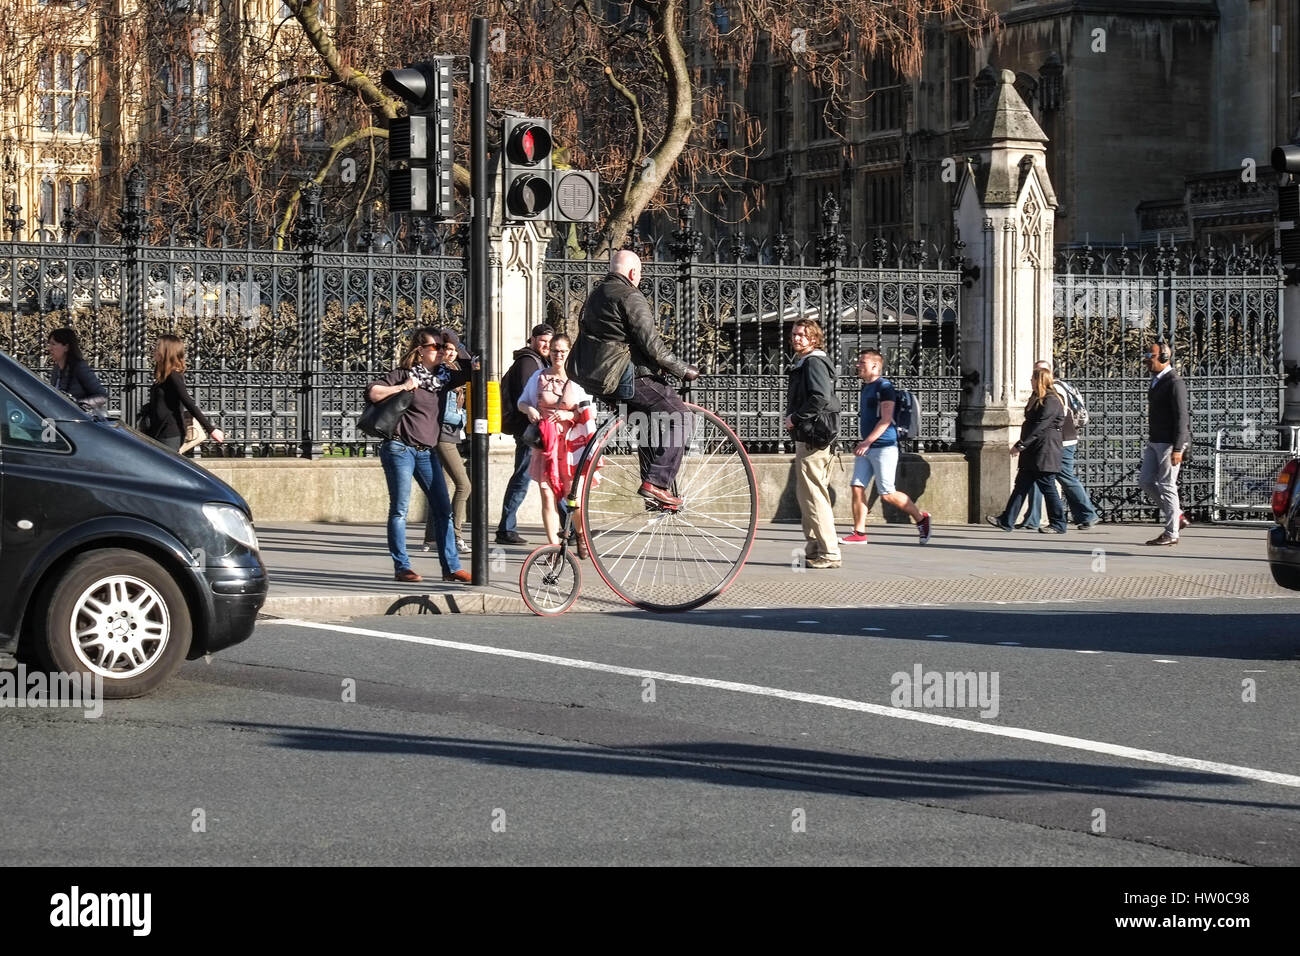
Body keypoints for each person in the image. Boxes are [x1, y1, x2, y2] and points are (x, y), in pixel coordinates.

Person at [568, 250, 698, 509]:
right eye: (639, 273)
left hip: (599, 382)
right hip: (626, 378)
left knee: (646, 423)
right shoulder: (630, 296)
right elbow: (653, 347)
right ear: (633, 273)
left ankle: (652, 491)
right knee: (682, 416)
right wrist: (683, 370)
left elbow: (616, 340)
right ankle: (657, 483)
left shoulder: (594, 296)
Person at [368, 327, 471, 583]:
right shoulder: (403, 374)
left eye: (440, 346)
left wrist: (454, 343)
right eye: (434, 346)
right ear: (420, 350)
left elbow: (470, 370)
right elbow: (373, 392)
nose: (439, 351)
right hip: (399, 448)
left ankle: (451, 568)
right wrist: (403, 387)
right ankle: (402, 567)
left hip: (427, 451)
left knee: (443, 509)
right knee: (400, 509)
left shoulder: (445, 377)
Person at [842, 349, 932, 545]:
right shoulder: (865, 387)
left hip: (884, 447)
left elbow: (886, 419)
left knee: (887, 493)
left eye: (862, 362)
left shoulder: (885, 387)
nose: (858, 365)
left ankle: (921, 518)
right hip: (867, 447)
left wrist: (867, 441)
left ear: (875, 366)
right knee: (857, 487)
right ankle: (859, 533)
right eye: (858, 362)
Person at [517, 333, 595, 557]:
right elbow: (522, 401)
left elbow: (589, 412)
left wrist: (567, 414)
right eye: (554, 351)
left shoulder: (578, 380)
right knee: (546, 494)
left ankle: (580, 534)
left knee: (574, 498)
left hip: (571, 447)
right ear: (548, 352)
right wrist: (530, 409)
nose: (558, 355)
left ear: (569, 353)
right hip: (544, 444)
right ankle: (553, 548)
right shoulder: (538, 377)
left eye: (562, 351)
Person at [784, 319, 842, 569]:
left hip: (813, 436)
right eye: (795, 334)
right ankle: (815, 547)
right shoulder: (806, 361)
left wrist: (795, 418)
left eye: (802, 335)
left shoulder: (814, 361)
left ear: (814, 338)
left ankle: (829, 552)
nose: (796, 338)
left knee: (814, 496)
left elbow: (820, 397)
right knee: (808, 495)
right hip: (810, 436)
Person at [1018, 359, 1100, 532]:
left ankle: (1088, 514)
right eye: (1035, 372)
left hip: (1061, 441)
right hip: (1053, 440)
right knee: (1037, 475)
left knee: (1065, 476)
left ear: (1049, 373)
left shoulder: (1056, 390)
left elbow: (1051, 417)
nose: (1036, 376)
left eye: (1040, 372)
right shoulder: (1050, 389)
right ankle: (1032, 518)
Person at [987, 366, 1067, 534]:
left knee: (1048, 486)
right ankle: (1007, 520)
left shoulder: (1051, 400)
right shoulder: (1038, 397)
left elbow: (1040, 426)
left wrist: (1021, 444)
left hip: (1045, 452)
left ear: (1040, 380)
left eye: (1033, 378)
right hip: (1034, 451)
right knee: (1021, 486)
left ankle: (1058, 523)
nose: (1030, 381)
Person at [496, 323, 553, 545]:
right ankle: (505, 528)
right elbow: (528, 396)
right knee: (523, 476)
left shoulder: (537, 361)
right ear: (532, 339)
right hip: (529, 431)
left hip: (533, 429)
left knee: (548, 475)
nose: (546, 345)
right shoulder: (528, 362)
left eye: (549, 341)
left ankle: (568, 524)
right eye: (542, 340)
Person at [1139, 338, 1190, 546]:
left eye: (1150, 356)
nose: (1147, 360)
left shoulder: (1174, 382)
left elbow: (1182, 417)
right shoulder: (1156, 379)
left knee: (1167, 485)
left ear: (1164, 357)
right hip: (1155, 440)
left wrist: (1178, 448)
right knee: (1145, 481)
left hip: (1170, 442)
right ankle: (1177, 515)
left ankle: (1172, 533)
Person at [425, 329, 471, 555]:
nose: (451, 353)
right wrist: (456, 346)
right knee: (465, 485)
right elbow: (471, 372)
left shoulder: (454, 370)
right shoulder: (442, 373)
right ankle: (456, 535)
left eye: (453, 350)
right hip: (443, 433)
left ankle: (432, 538)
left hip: (451, 431)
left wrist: (458, 346)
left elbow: (471, 369)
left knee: (440, 489)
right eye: (446, 349)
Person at [144, 335, 225, 452]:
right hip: (158, 431)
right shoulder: (162, 375)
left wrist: (211, 429)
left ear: (166, 351)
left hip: (170, 433)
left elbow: (188, 402)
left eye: (157, 347)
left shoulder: (173, 376)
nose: (154, 350)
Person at [46, 327, 108, 415]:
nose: (49, 348)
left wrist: (77, 405)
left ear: (66, 347)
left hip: (81, 422)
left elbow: (102, 396)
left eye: (53, 344)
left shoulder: (79, 367)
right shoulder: (56, 369)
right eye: (49, 344)